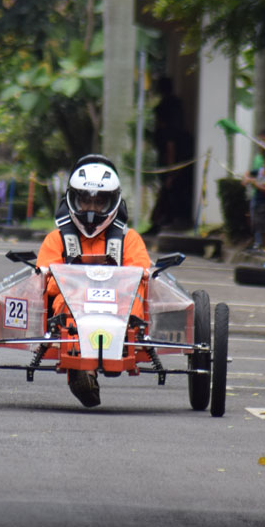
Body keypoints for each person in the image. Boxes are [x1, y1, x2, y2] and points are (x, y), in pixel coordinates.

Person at [36, 155, 151, 408]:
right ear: (73, 199)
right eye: (85, 200)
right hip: (74, 308)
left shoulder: (129, 239)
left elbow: (140, 278)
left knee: (136, 303)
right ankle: (82, 372)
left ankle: (115, 351)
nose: (91, 209)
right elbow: (47, 284)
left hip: (119, 308)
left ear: (112, 202)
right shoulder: (56, 239)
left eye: (99, 202)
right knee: (65, 306)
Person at [147, 76, 193, 234]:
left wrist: (170, 170)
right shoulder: (175, 105)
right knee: (169, 190)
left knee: (169, 189)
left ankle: (162, 221)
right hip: (178, 156)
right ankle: (160, 221)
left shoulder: (167, 114)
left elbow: (170, 144)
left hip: (172, 160)